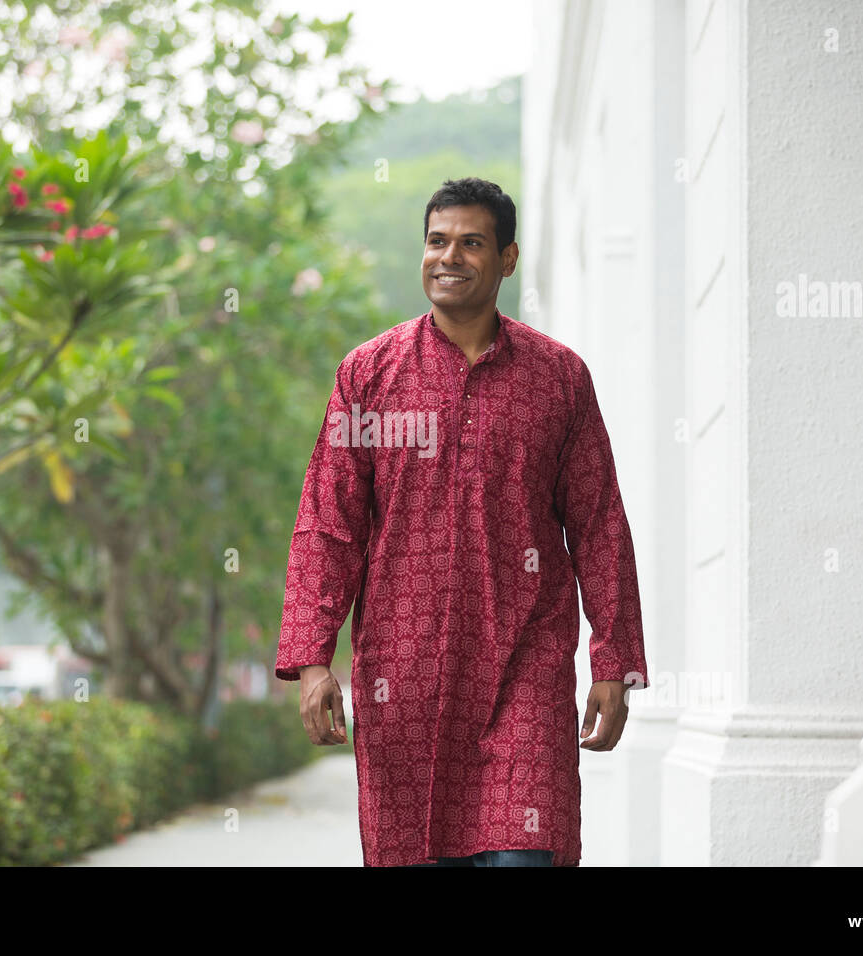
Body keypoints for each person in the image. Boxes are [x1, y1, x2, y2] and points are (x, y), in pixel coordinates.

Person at [275, 177, 649, 867]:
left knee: (524, 854)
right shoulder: (368, 375)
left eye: (471, 243)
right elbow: (329, 523)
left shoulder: (559, 378)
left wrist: (614, 661)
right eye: (437, 241)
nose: (449, 257)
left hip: (525, 665)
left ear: (506, 259)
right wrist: (311, 660)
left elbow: (599, 524)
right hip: (403, 671)